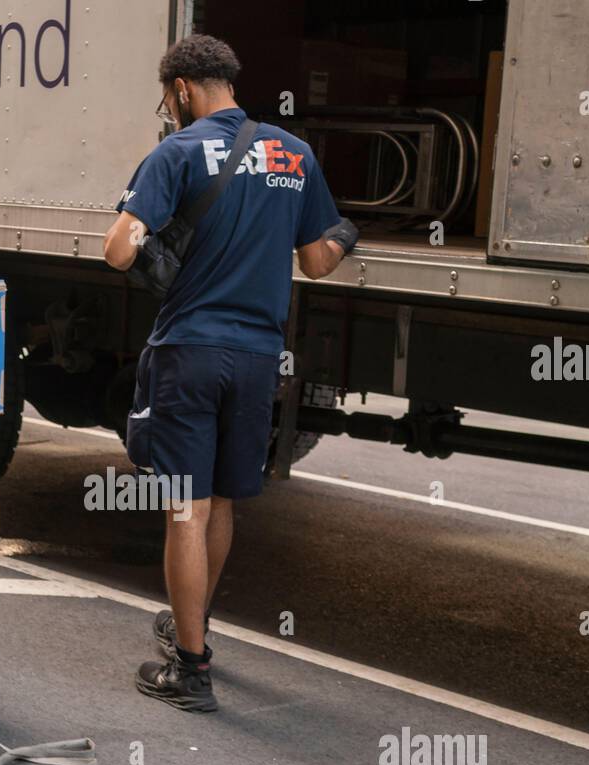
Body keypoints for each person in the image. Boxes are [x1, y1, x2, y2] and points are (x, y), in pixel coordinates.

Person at [103, 33, 357, 713]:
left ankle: (191, 669)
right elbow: (319, 260)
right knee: (221, 500)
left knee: (185, 504)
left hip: (190, 351)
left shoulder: (177, 152)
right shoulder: (292, 153)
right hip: (256, 359)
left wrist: (155, 249)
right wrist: (346, 233)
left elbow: (118, 251)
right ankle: (197, 628)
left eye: (167, 99)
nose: (169, 109)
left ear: (183, 90)